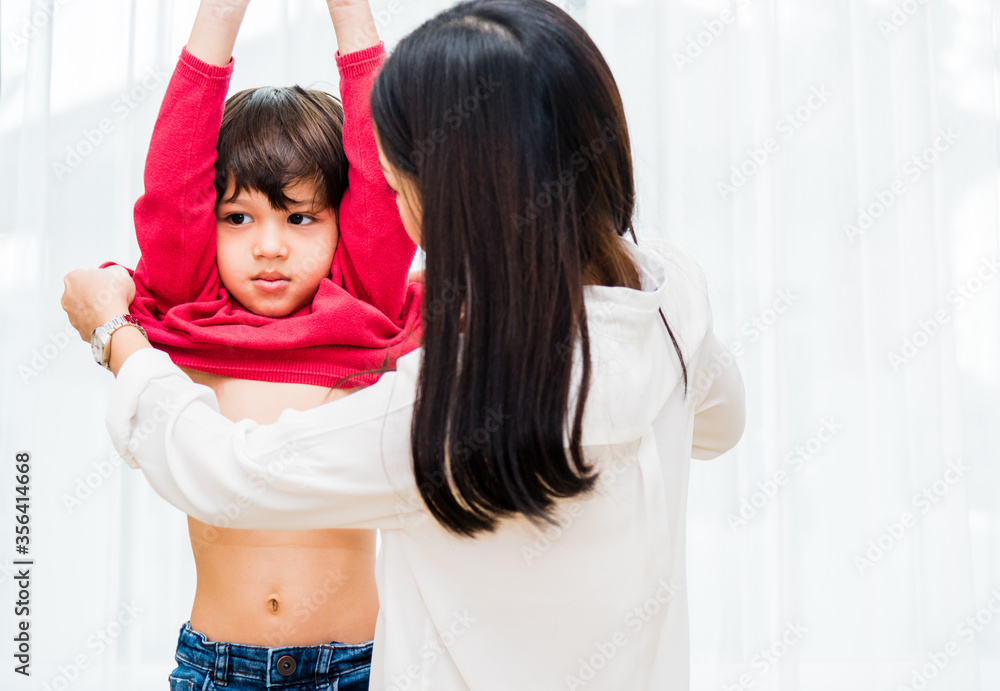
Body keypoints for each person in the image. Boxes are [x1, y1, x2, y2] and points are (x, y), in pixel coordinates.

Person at [63, 1, 746, 688]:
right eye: (239, 217)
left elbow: (228, 473)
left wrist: (111, 334)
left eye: (394, 184)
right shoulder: (672, 299)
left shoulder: (434, 409)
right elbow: (720, 423)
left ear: (449, 200)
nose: (270, 244)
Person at [91, 0, 420, 688]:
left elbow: (379, 184)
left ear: (341, 226)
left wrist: (351, 16)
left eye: (301, 217)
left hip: (358, 666)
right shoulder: (194, 307)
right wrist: (219, 15)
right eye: (238, 216)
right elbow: (173, 183)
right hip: (219, 668)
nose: (269, 246)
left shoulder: (357, 305)